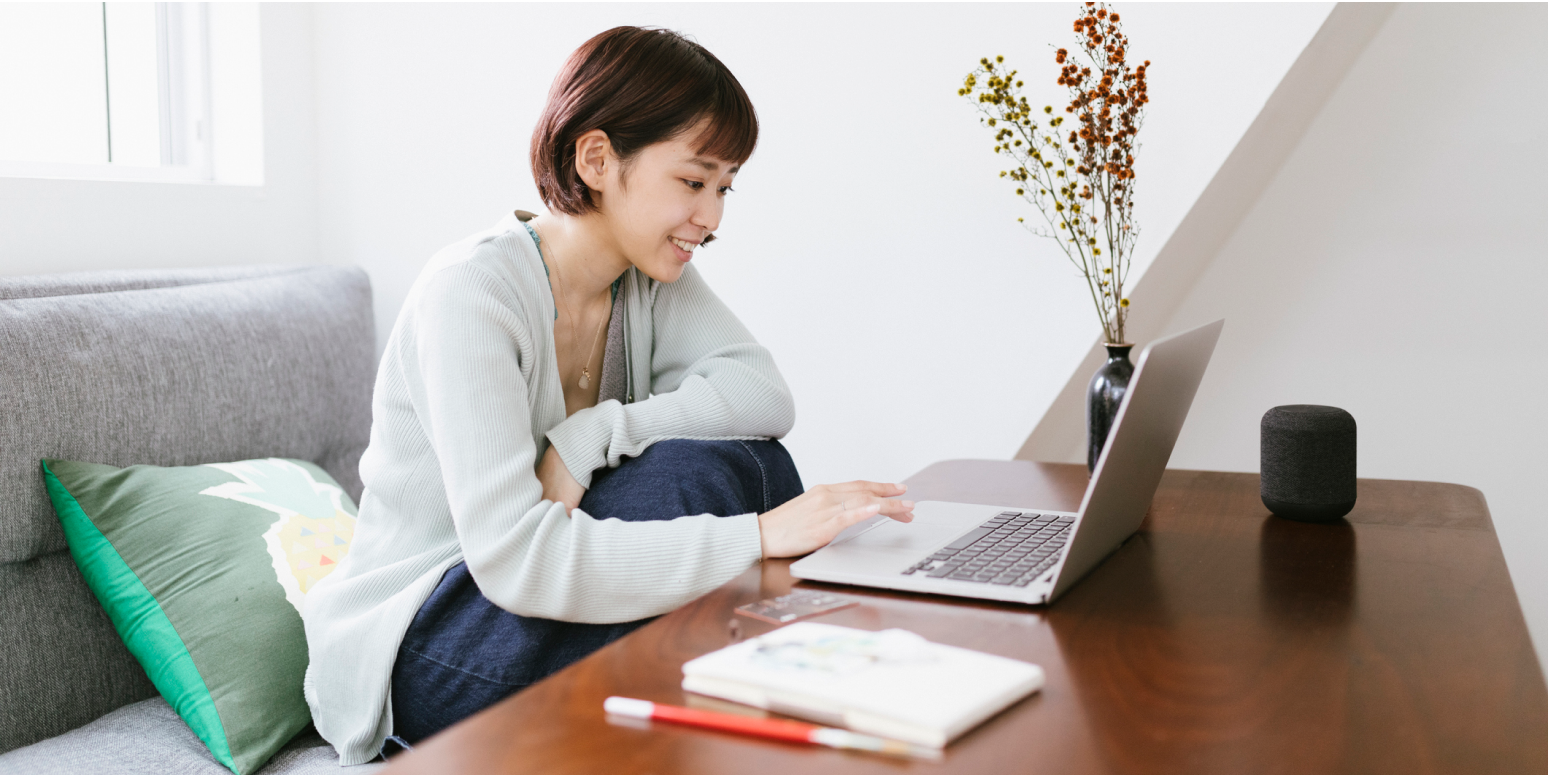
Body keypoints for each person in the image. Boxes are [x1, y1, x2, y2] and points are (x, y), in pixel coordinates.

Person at [301, 26, 916, 764]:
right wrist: (759, 537)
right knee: (710, 486)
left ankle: (755, 687)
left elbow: (761, 394)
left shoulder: (648, 281)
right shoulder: (473, 292)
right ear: (597, 159)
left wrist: (593, 432)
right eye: (693, 182)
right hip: (422, 641)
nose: (713, 218)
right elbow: (514, 559)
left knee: (752, 465)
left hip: (522, 609)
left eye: (724, 187)